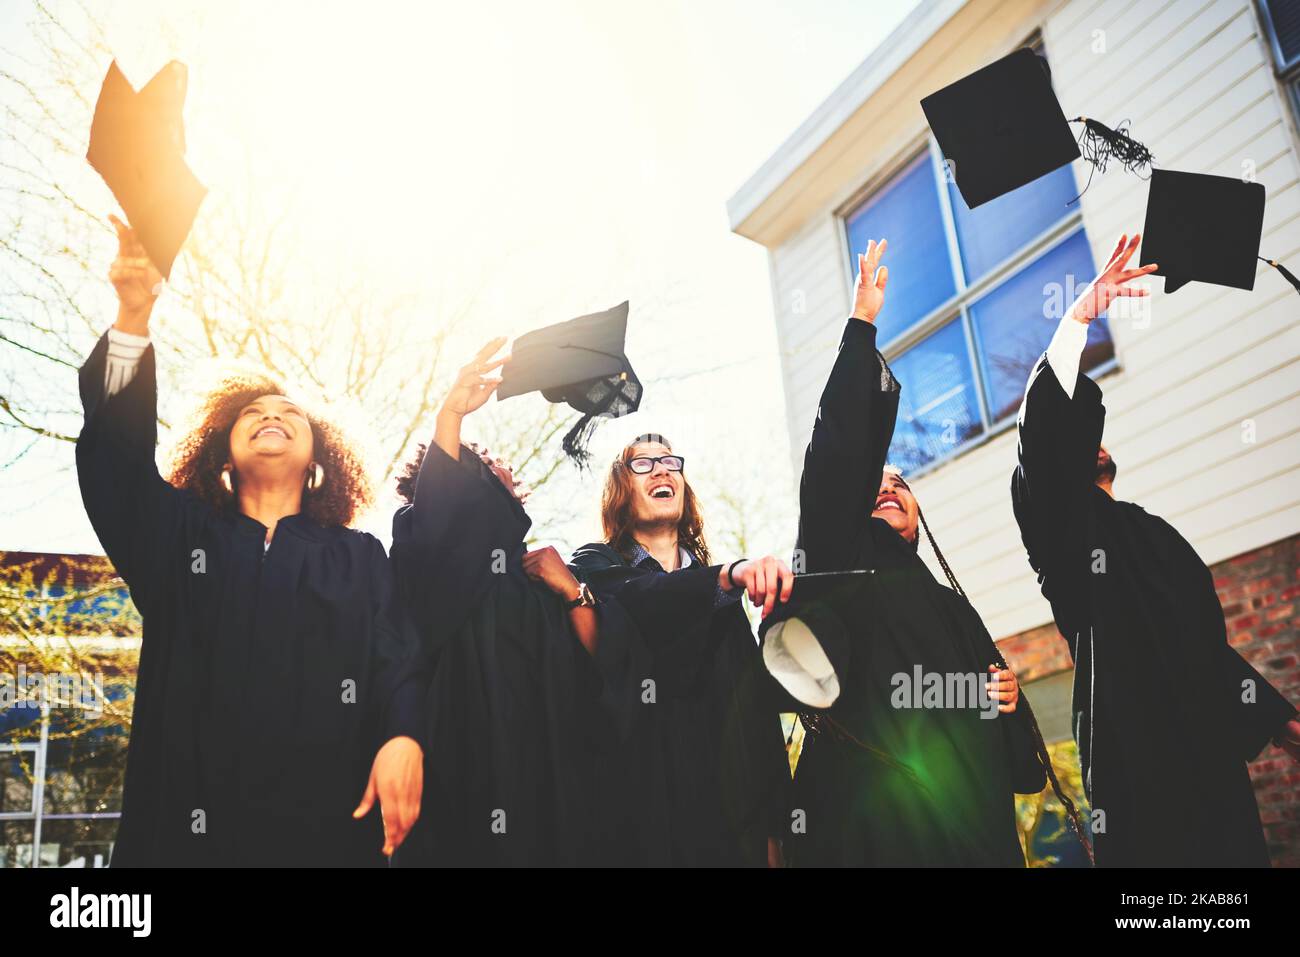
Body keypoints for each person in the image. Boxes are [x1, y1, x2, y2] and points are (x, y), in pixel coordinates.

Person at [77, 216, 424, 866]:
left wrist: (402, 736)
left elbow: (396, 660)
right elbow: (116, 466)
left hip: (325, 822)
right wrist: (131, 319)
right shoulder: (178, 536)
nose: (271, 414)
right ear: (223, 458)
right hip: (188, 826)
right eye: (253, 414)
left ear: (320, 459)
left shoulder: (357, 559)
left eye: (289, 413)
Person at [761, 239, 1059, 867]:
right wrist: (862, 323)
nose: (888, 487)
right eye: (876, 484)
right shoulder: (837, 558)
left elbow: (1009, 756)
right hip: (875, 825)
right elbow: (837, 459)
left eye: (901, 483)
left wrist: (1001, 698)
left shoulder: (950, 605)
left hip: (973, 829)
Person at [1011, 232, 1300, 866]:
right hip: (1134, 758)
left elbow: (1203, 649)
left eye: (1095, 437)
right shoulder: (1062, 530)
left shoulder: (1157, 535)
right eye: (1075, 441)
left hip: (1211, 760)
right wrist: (1078, 320)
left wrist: (1279, 721)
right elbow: (1043, 443)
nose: (1092, 442)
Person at [390, 340, 608, 866]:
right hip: (465, 767)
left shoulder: (544, 575)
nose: (499, 468)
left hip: (551, 777)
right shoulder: (426, 548)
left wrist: (574, 592)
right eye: (478, 467)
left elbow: (604, 665)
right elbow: (442, 515)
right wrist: (450, 419)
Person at [570, 434, 793, 867]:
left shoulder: (724, 602)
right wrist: (727, 576)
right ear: (620, 487)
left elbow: (757, 719)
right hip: (640, 823)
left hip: (730, 829)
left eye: (670, 461)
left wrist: (774, 830)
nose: (661, 469)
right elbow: (642, 602)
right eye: (643, 464)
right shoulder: (595, 567)